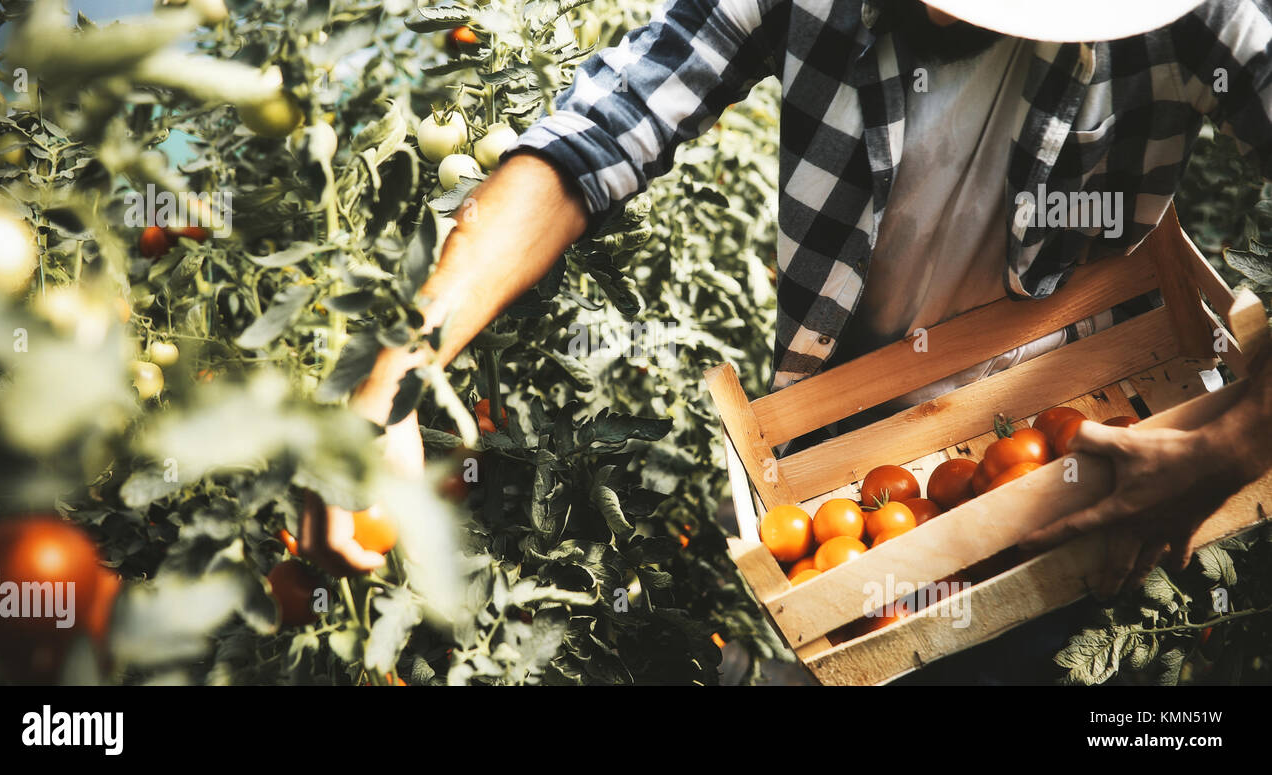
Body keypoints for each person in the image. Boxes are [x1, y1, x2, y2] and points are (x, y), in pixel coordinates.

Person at [303, 0, 1272, 670]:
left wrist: (1225, 447)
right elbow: (598, 133)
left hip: (1079, 464)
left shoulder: (1199, 19)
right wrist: (400, 371)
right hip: (840, 463)